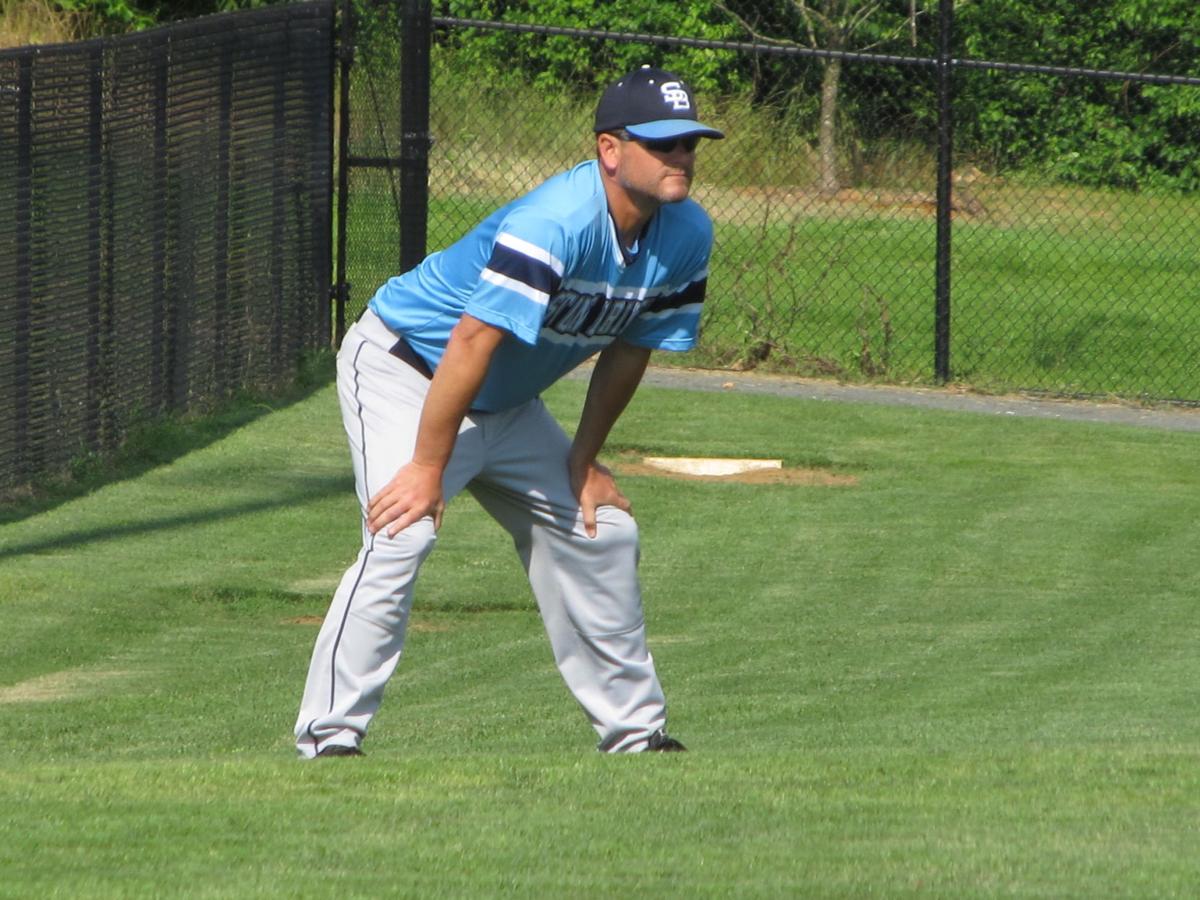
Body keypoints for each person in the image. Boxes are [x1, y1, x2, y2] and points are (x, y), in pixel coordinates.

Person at [294, 65, 724, 757]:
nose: (682, 156)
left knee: (602, 530)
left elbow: (632, 349)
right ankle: (329, 737)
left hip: (505, 401)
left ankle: (636, 736)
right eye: (662, 143)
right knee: (402, 534)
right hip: (407, 368)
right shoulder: (555, 222)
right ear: (610, 150)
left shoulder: (686, 235)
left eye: (690, 143)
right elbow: (471, 339)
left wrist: (582, 461)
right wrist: (428, 466)